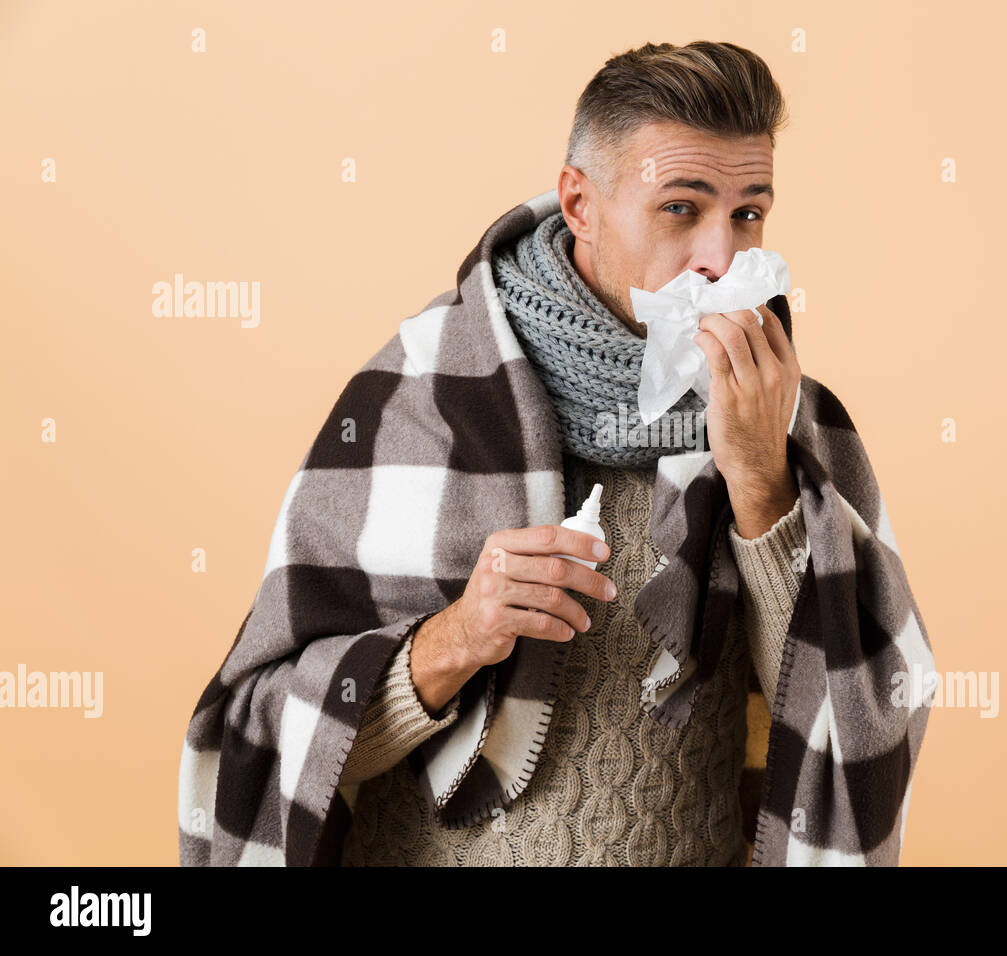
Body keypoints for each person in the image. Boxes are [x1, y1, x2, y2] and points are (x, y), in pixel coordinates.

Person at [179, 39, 933, 868]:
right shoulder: (421, 392)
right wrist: (455, 638)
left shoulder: (786, 414)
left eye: (749, 211)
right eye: (682, 208)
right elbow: (262, 736)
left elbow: (861, 715)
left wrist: (760, 478)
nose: (721, 256)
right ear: (580, 203)